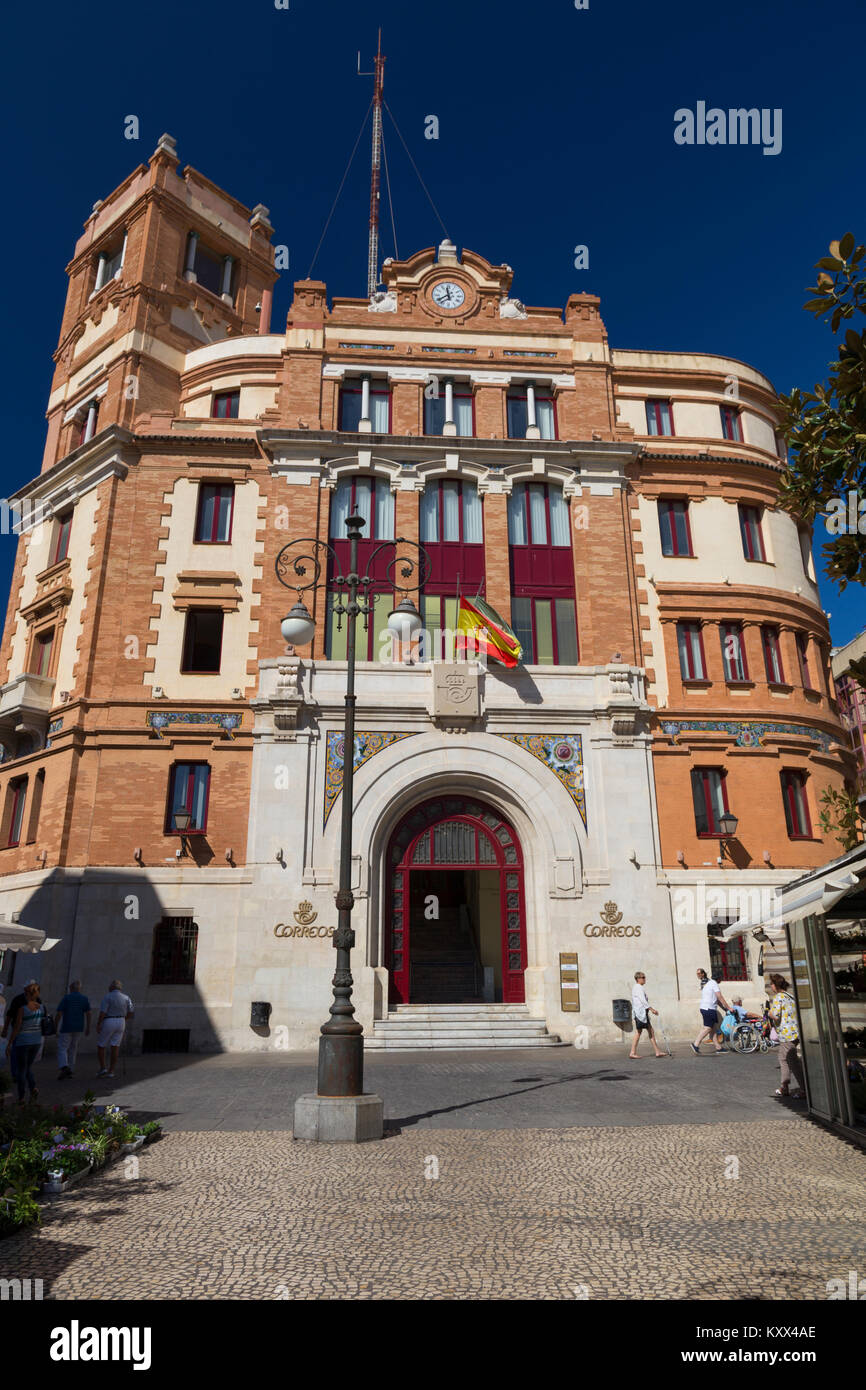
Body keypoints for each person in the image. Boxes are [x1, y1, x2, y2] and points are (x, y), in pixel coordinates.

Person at [5, 982, 45, 1103]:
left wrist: (9, 1043)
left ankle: (21, 1096)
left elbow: (17, 1027)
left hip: (24, 1040)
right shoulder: (41, 1007)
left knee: (22, 1069)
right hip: (36, 1040)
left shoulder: (23, 1009)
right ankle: (33, 1088)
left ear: (27, 994)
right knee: (27, 1067)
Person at [768, 972, 804, 1099]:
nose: (770, 986)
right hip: (795, 1032)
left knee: (790, 1061)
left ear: (776, 985)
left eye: (771, 984)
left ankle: (802, 1088)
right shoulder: (790, 996)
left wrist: (769, 1013)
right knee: (786, 1059)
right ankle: (786, 1086)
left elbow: (776, 1016)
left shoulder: (779, 997)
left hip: (786, 1034)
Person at [1, 979, 40, 1087]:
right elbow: (10, 1014)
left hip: (25, 1034)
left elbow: (14, 1020)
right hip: (31, 1034)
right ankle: (22, 1078)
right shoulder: (23, 1000)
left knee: (20, 1057)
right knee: (20, 1058)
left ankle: (21, 1080)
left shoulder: (29, 1003)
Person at [54, 980, 92, 1079]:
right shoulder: (84, 999)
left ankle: (64, 1067)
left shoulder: (67, 998)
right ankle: (71, 1068)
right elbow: (88, 1013)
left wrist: (55, 1025)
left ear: (71, 988)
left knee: (62, 1047)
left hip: (67, 1026)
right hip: (79, 1027)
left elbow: (59, 1013)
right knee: (73, 1048)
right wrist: (88, 1027)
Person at [96, 979, 134, 1079]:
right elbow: (131, 1012)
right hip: (121, 1021)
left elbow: (103, 1012)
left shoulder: (107, 997)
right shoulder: (126, 997)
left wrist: (99, 1023)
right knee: (115, 1046)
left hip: (109, 1020)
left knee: (101, 1045)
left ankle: (103, 1067)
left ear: (112, 987)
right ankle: (111, 1071)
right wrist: (124, 1019)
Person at [691, 968, 731, 1054]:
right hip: (709, 1009)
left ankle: (718, 1047)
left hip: (704, 1008)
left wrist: (725, 1008)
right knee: (708, 1028)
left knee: (713, 1029)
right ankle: (696, 1044)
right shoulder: (714, 984)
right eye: (721, 978)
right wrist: (729, 1007)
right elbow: (720, 997)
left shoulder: (709, 983)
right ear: (719, 978)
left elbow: (716, 1000)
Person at [629, 971, 665, 1058]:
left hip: (641, 1013)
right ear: (638, 979)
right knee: (640, 1032)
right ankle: (632, 1052)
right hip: (640, 1014)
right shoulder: (638, 987)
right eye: (643, 977)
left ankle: (657, 1051)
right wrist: (652, 1009)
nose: (645, 979)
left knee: (649, 1031)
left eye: (644, 977)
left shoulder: (638, 987)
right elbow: (643, 1000)